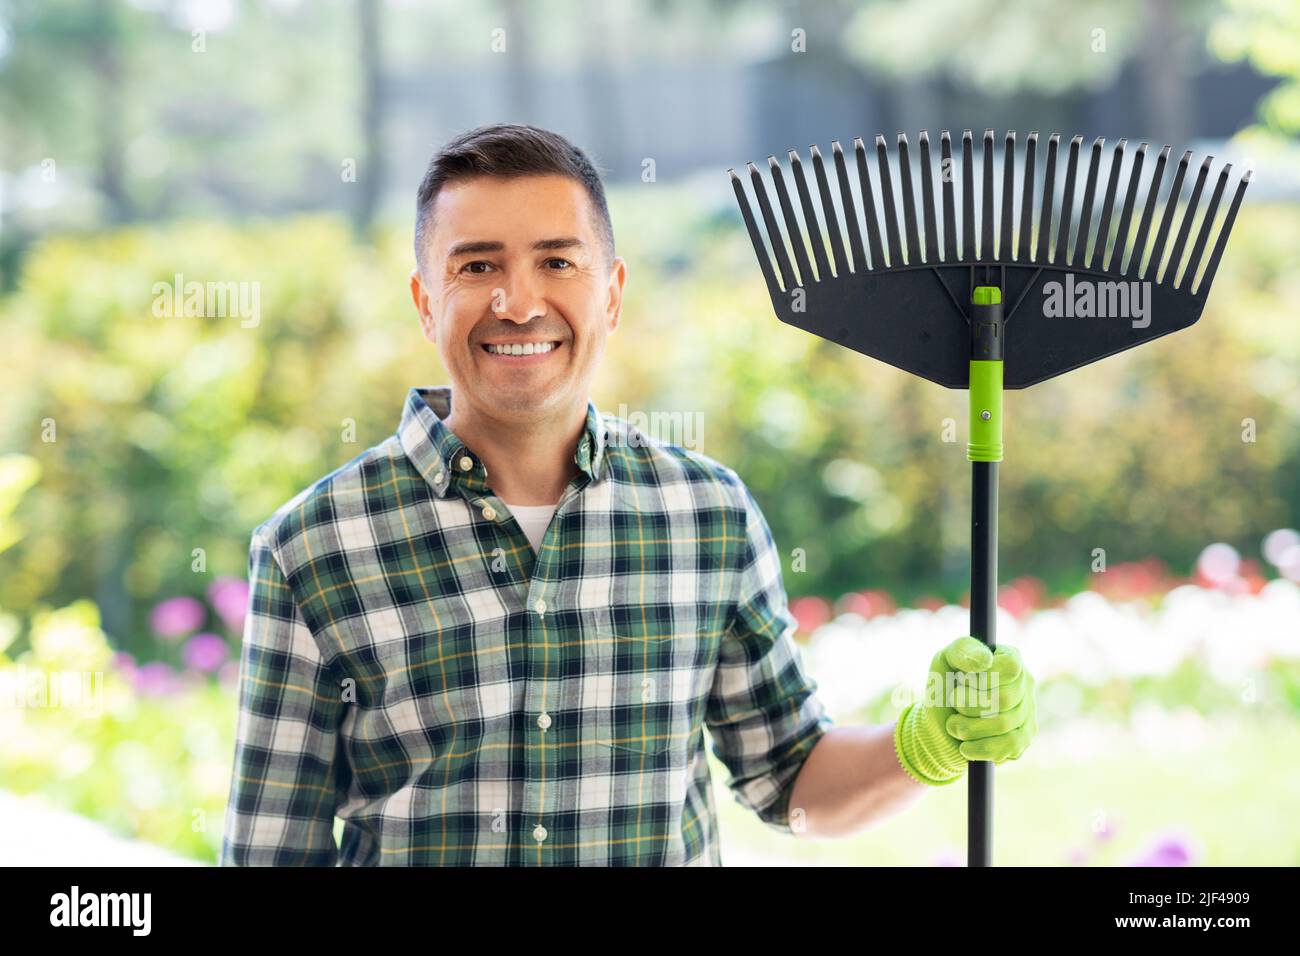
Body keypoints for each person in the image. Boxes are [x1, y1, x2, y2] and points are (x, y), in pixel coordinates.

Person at [219, 123, 1037, 866]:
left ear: (610, 292)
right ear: (425, 298)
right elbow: (269, 853)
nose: (519, 302)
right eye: (477, 266)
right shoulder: (313, 548)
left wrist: (926, 743)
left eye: (556, 261)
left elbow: (789, 779)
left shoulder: (705, 516)